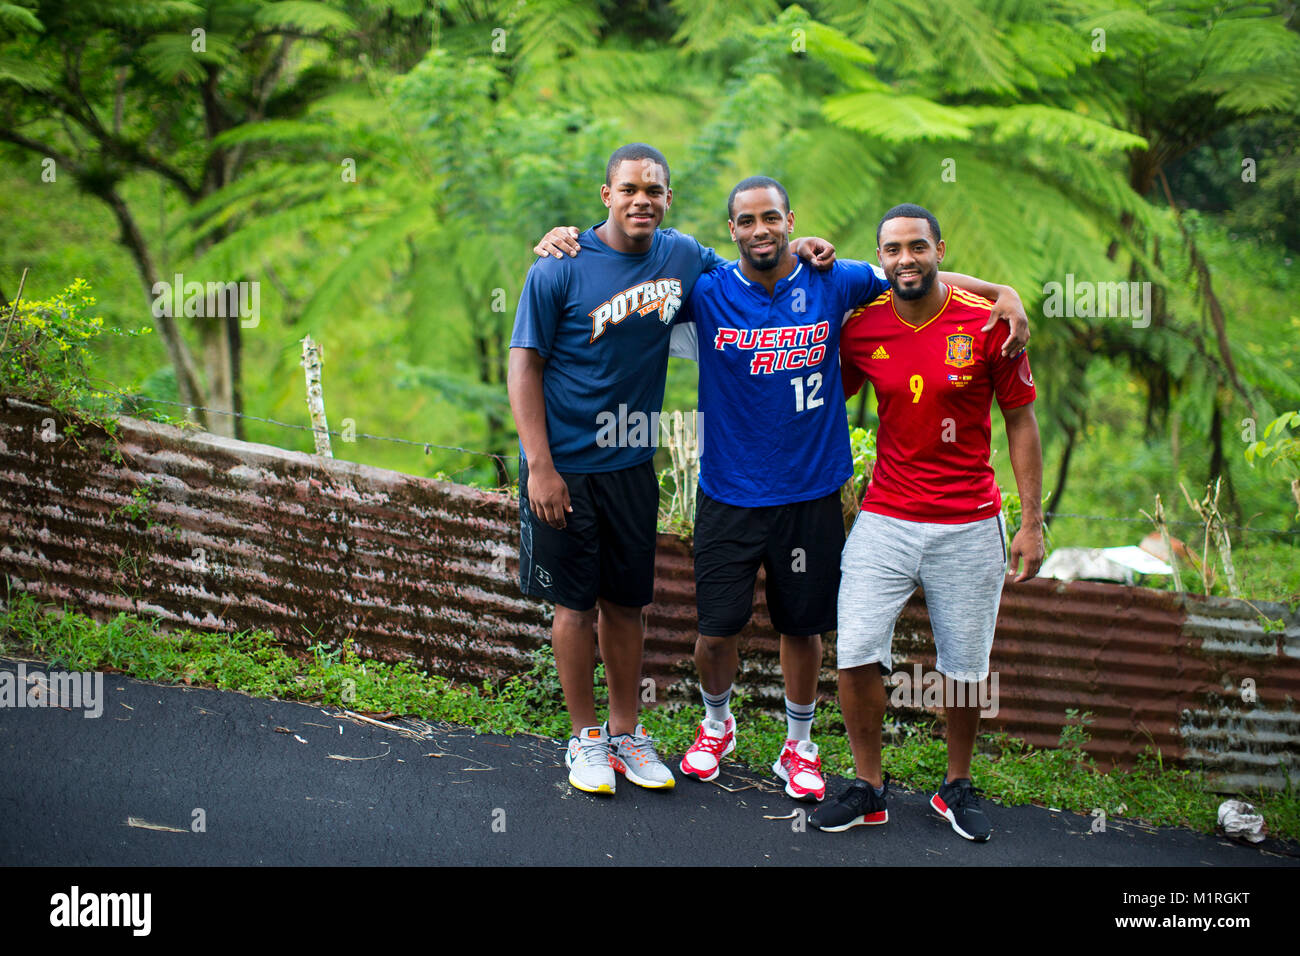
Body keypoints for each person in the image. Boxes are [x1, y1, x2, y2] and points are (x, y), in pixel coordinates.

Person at [660, 180, 1029, 802]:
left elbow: (916, 276)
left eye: (771, 217)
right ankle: (716, 724)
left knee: (803, 627)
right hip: (729, 490)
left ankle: (799, 745)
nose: (761, 229)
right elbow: (631, 288)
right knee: (716, 630)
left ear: (790, 219)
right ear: (732, 230)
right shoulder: (708, 291)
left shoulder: (834, 279)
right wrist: (572, 248)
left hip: (812, 492)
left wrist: (1002, 293)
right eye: (747, 220)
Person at [510, 145, 835, 796]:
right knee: (574, 607)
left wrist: (807, 250)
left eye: (653, 191)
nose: (641, 200)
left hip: (633, 461)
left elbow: (751, 270)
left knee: (626, 605)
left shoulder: (682, 256)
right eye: (628, 189)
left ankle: (628, 733)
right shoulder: (558, 270)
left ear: (667, 200)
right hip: (566, 467)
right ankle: (585, 738)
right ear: (606, 195)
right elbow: (524, 366)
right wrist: (539, 467)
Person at [808, 203, 1044, 839]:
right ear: (880, 258)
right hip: (885, 514)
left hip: (970, 521)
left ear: (940, 248)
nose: (904, 259)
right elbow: (820, 385)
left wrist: (1032, 522)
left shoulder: (988, 323)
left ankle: (955, 786)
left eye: (918, 247)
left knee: (964, 668)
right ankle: (868, 786)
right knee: (855, 649)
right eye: (892, 250)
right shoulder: (863, 329)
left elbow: (1021, 418)